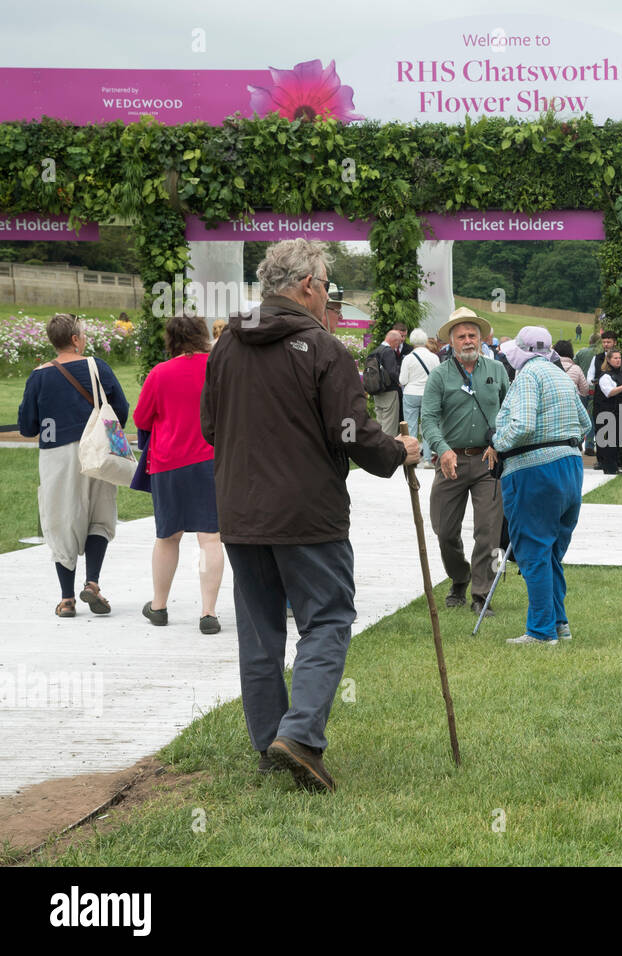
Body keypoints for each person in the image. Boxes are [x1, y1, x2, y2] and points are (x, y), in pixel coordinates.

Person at [201, 238, 420, 792]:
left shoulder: (226, 344)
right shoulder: (323, 349)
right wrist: (398, 451)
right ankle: (298, 737)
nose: (329, 300)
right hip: (307, 515)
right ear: (306, 287)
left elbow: (210, 427)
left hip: (241, 513)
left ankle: (270, 743)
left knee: (259, 631)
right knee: (326, 621)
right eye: (327, 288)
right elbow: (351, 432)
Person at [18, 313, 130, 618]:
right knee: (100, 516)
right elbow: (119, 408)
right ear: (76, 339)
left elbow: (27, 426)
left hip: (56, 455)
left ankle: (67, 599)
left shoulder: (38, 376)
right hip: (96, 451)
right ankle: (92, 583)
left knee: (61, 521)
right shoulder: (97, 366)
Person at [492, 327, 590, 645]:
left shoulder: (528, 375)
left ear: (521, 352)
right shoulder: (561, 374)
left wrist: (497, 442)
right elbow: (585, 424)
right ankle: (560, 623)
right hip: (571, 467)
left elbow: (522, 425)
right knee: (550, 553)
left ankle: (541, 631)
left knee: (533, 551)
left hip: (535, 472)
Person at [135, 314, 224, 633]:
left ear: (170, 339)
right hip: (211, 460)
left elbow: (142, 418)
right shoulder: (218, 369)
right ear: (202, 335)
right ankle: (208, 612)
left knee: (167, 537)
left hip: (168, 463)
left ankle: (159, 605)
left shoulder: (159, 373)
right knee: (210, 538)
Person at [420, 307, 509, 616]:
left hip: (487, 461)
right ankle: (460, 577)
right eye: (462, 336)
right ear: (452, 342)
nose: (468, 340)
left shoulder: (496, 370)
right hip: (451, 461)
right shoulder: (438, 375)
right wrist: (442, 449)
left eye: (473, 335)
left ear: (482, 338)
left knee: (488, 530)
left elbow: (509, 411)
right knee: (444, 530)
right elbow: (428, 419)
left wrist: (499, 443)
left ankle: (481, 594)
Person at [399, 328, 439, 468]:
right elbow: (437, 379)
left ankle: (413, 457)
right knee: (428, 426)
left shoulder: (408, 358)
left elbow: (403, 380)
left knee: (411, 427)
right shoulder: (434, 357)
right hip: (429, 394)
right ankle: (427, 459)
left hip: (411, 393)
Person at [593, 350, 622, 476]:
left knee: (618, 440)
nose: (618, 360)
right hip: (608, 411)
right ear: (608, 360)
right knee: (610, 441)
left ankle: (614, 466)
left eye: (619, 358)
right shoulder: (605, 376)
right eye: (615, 358)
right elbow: (609, 392)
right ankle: (609, 467)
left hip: (621, 410)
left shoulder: (620, 375)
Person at [369, 330, 403, 436]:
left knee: (380, 422)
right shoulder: (387, 351)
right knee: (390, 426)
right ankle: (387, 450)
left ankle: (379, 449)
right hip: (389, 391)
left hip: (377, 391)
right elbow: (392, 371)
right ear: (395, 341)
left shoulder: (374, 351)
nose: (397, 346)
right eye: (398, 343)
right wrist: (400, 382)